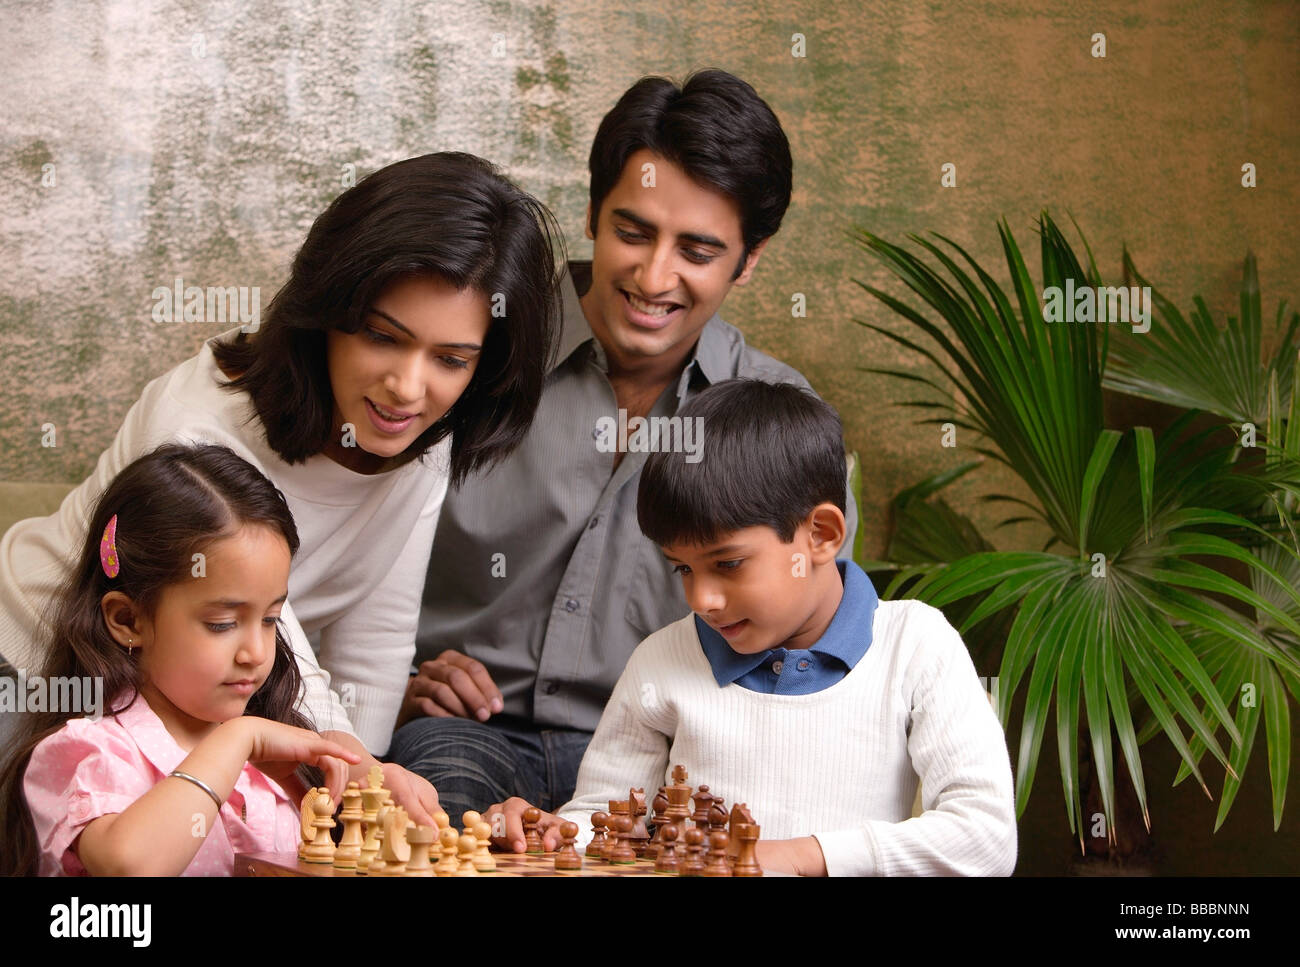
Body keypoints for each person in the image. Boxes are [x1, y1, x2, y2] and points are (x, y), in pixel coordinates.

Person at [0, 152, 562, 827]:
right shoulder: (197, 426)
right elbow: (258, 638)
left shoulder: (426, 440)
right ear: (328, 309)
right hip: (31, 666)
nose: (408, 388)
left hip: (191, 707)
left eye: (450, 359)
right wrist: (354, 765)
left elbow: (375, 640)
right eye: (384, 337)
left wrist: (367, 783)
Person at [391, 69, 858, 823]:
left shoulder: (782, 427)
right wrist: (395, 682)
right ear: (591, 213)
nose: (652, 275)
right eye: (632, 232)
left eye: (698, 251)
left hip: (666, 753)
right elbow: (346, 546)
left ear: (750, 258)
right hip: (460, 733)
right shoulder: (468, 353)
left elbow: (807, 641)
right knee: (432, 840)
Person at [495, 380, 1018, 876]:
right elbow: (606, 823)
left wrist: (796, 856)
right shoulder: (661, 661)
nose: (702, 600)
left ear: (821, 534)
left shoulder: (915, 647)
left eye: (728, 564)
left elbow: (986, 838)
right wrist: (555, 833)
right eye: (683, 568)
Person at [0, 444, 366, 876]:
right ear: (128, 619)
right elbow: (130, 867)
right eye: (222, 623)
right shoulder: (92, 753)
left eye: (270, 619)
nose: (256, 653)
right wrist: (237, 740)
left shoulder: (276, 760)